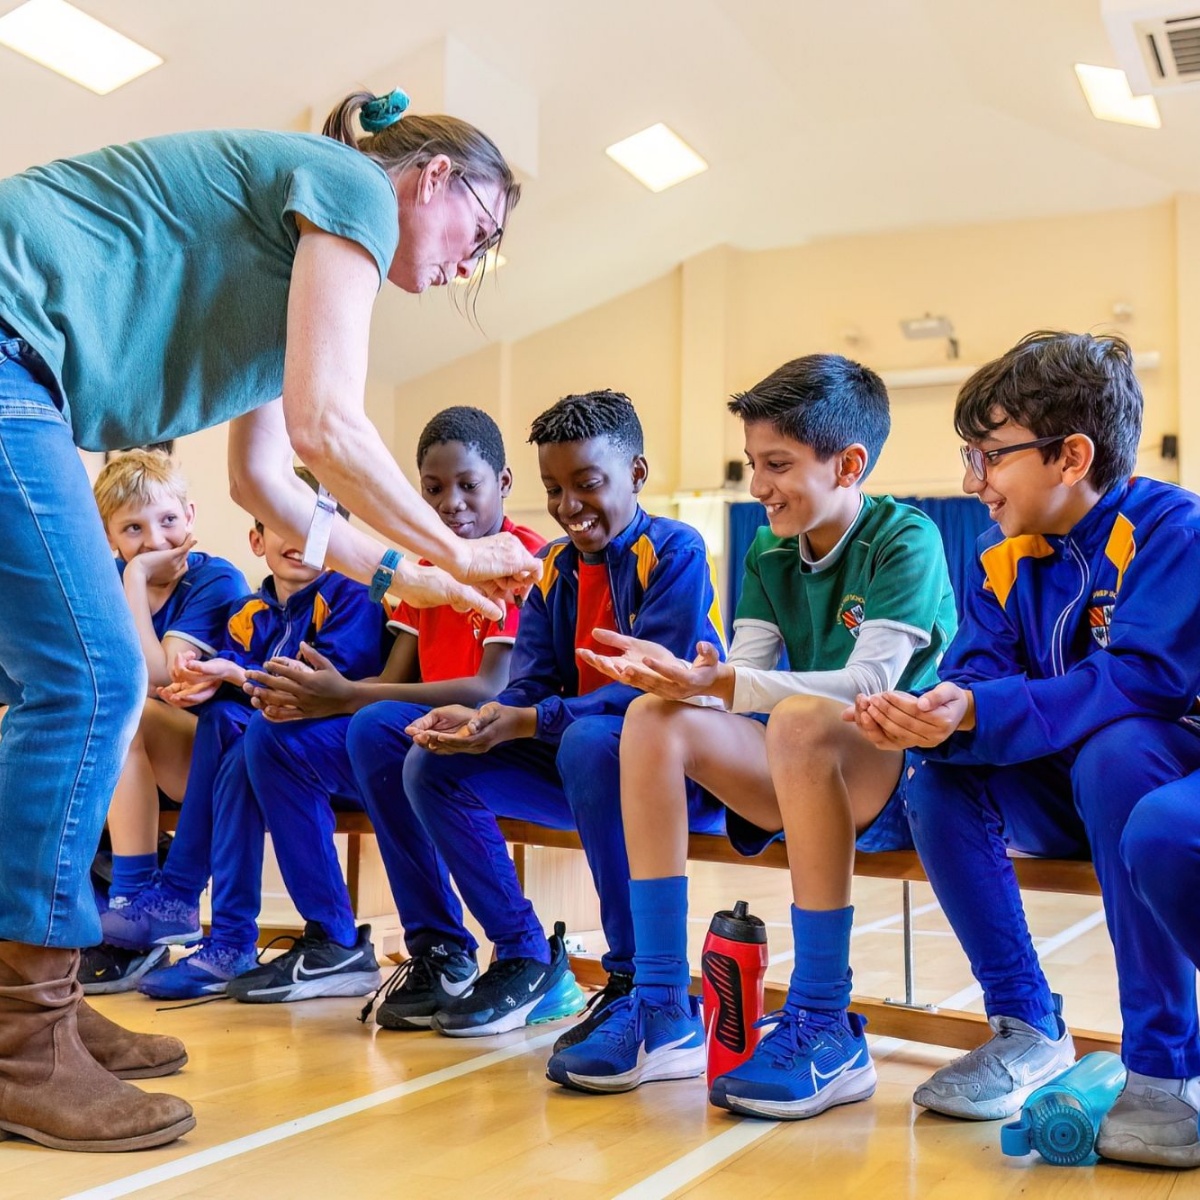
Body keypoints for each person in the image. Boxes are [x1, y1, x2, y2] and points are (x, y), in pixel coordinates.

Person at [0, 88, 539, 1151]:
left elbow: (271, 484)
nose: (469, 267)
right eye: (479, 230)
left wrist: (400, 576)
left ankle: (38, 1006)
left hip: (28, 379)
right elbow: (329, 425)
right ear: (430, 177)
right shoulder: (344, 186)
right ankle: (23, 1036)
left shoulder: (285, 271)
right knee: (97, 677)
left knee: (69, 680)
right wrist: (454, 544)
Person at [544, 356, 956, 1120]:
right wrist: (681, 680)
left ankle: (826, 1021)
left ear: (849, 464)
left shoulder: (907, 540)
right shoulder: (769, 552)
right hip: (795, 765)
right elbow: (742, 679)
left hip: (895, 776)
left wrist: (727, 684)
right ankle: (663, 1003)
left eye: (777, 464)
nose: (758, 484)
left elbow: (870, 688)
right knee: (652, 721)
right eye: (751, 464)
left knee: (800, 718)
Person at [851, 331, 1200, 1169]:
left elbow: (1142, 682)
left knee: (1118, 752)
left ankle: (1165, 1066)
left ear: (1071, 455)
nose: (975, 483)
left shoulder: (1171, 529)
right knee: (936, 774)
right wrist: (937, 712)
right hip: (1080, 792)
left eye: (991, 456)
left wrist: (978, 705)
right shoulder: (1001, 560)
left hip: (1159, 780)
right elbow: (976, 677)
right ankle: (1027, 1026)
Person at [396, 390, 727, 1037]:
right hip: (585, 764)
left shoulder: (676, 552)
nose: (568, 506)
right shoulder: (553, 566)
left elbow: (650, 693)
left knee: (597, 741)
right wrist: (488, 716)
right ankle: (522, 954)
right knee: (429, 765)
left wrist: (528, 721)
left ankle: (641, 979)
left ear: (636, 474)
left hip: (679, 781)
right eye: (552, 488)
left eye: (587, 484)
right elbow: (532, 682)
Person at [216, 407, 544, 1007]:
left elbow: (490, 688)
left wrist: (347, 695)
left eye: (468, 485)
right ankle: (335, 942)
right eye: (434, 489)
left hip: (497, 739)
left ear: (503, 484)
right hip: (421, 732)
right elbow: (394, 678)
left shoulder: (521, 558)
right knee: (271, 737)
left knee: (374, 724)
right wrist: (310, 698)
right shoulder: (425, 568)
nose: (452, 504)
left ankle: (445, 945)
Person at [101, 491, 392, 1002]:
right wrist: (205, 680)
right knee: (222, 724)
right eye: (285, 524)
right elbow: (235, 686)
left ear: (340, 543)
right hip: (272, 753)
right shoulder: (250, 611)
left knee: (249, 738)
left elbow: (320, 690)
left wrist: (237, 674)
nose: (300, 541)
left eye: (316, 530)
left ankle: (189, 902)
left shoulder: (352, 594)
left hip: (351, 758)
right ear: (257, 540)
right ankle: (225, 938)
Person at [83, 450, 249, 994]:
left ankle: (135, 897)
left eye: (168, 520)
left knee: (124, 714)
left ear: (191, 517)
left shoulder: (214, 579)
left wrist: (134, 578)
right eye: (133, 528)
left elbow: (153, 673)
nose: (155, 540)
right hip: (133, 757)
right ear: (109, 535)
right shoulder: (95, 579)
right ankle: (79, 909)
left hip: (210, 764)